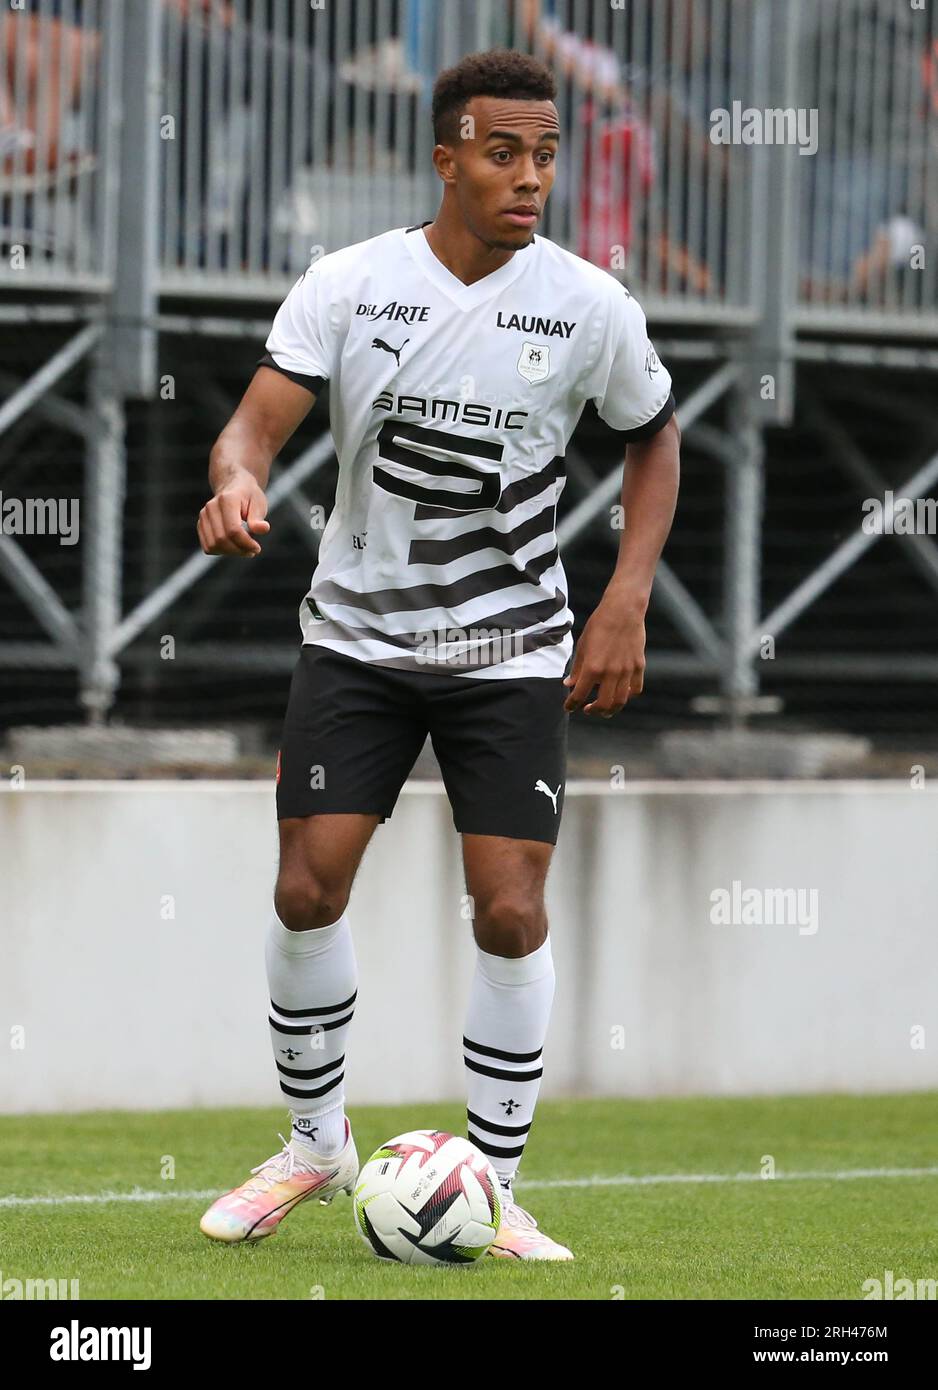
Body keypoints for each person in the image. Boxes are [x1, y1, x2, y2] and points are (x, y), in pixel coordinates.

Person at [196, 48, 680, 1261]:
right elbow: (252, 428)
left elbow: (654, 438)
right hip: (357, 638)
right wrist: (235, 485)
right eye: (503, 152)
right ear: (446, 155)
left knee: (509, 909)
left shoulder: (587, 303)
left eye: (546, 155)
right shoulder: (351, 283)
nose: (529, 178)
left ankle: (495, 1183)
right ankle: (314, 1145)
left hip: (511, 648)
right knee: (306, 887)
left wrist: (623, 601)